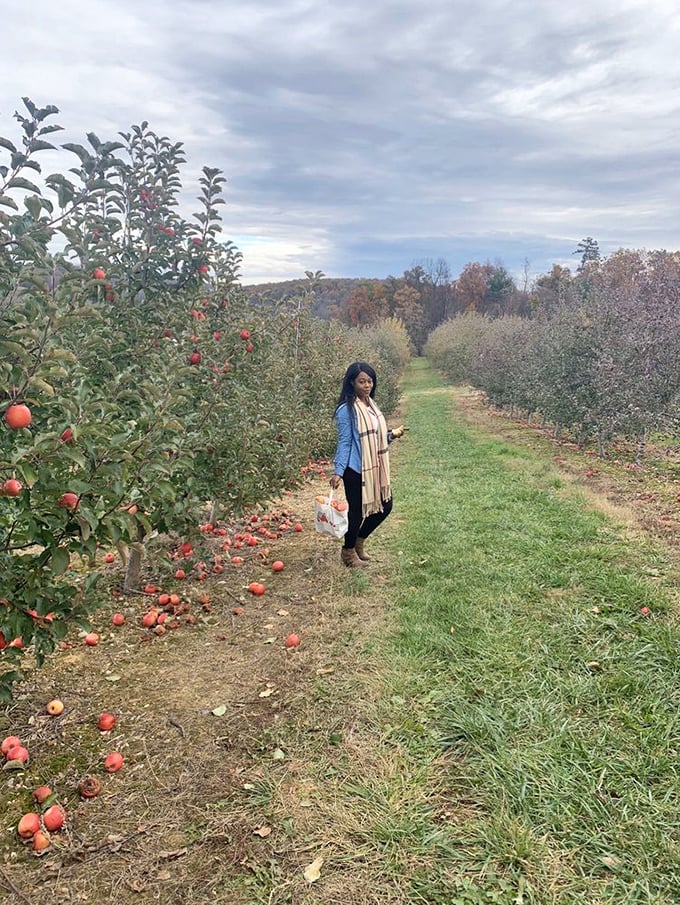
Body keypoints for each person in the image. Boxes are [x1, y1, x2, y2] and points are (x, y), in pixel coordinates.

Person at [330, 361, 404, 568]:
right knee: (356, 512)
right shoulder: (346, 410)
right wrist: (338, 471)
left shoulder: (371, 406)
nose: (367, 385)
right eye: (361, 381)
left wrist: (391, 435)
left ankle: (358, 542)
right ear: (351, 383)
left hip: (375, 466)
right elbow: (345, 442)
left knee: (385, 506)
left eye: (370, 381)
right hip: (355, 469)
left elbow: (376, 437)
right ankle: (348, 552)